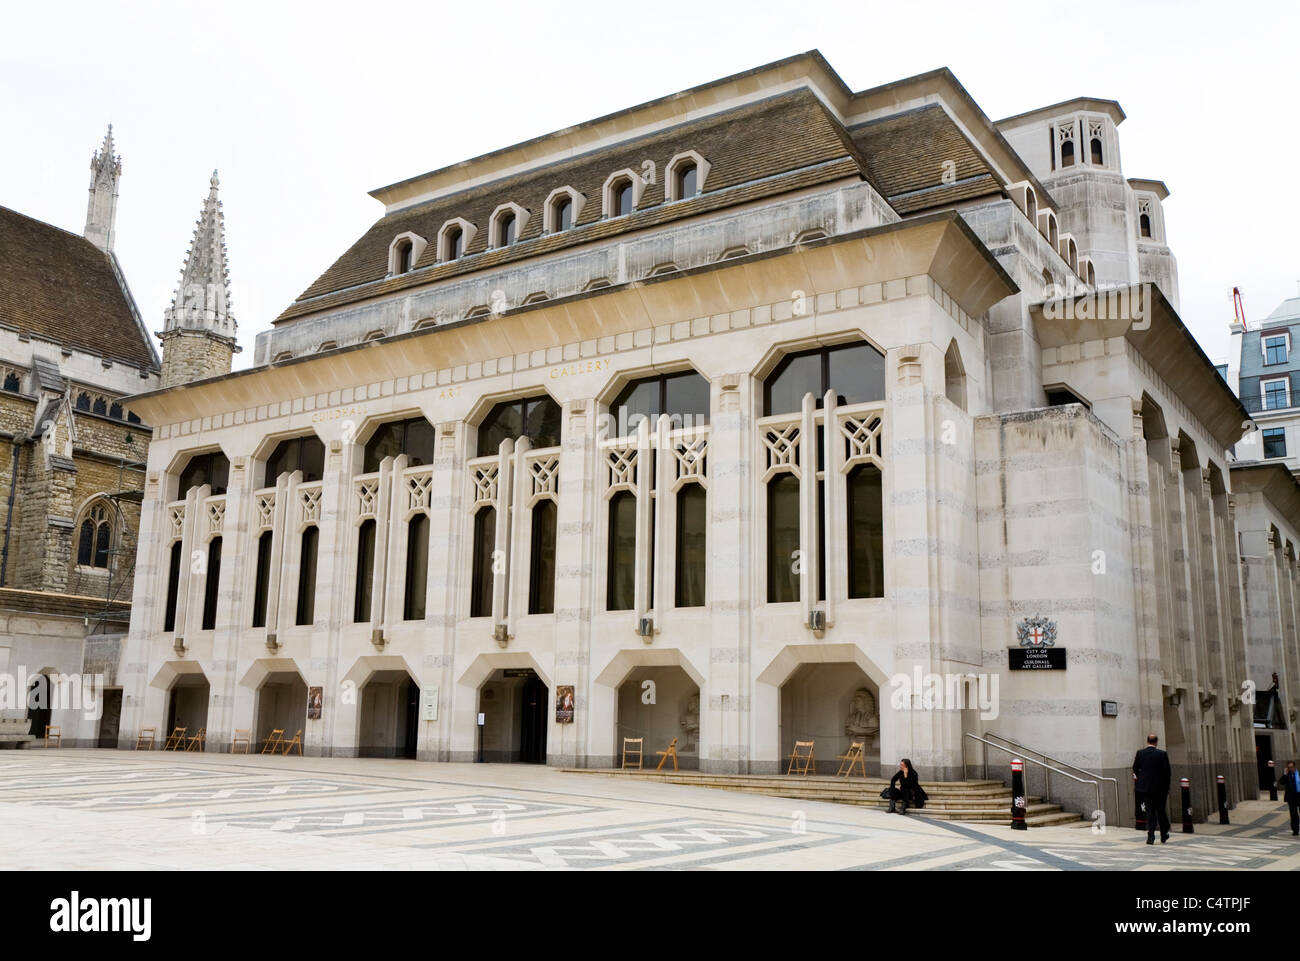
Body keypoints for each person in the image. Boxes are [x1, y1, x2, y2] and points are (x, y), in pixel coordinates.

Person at [1132, 733, 1172, 844]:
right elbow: (1167, 773)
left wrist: (1142, 779)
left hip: (1146, 789)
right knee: (1161, 812)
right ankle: (1164, 834)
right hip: (1160, 789)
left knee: (1150, 813)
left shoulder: (1140, 753)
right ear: (1156, 742)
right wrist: (1167, 788)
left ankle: (1151, 836)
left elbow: (1135, 768)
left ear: (1147, 741)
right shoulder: (1162, 754)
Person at [1278, 761, 1300, 837]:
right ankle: (1295, 830)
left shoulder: (1299, 774)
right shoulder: (1287, 775)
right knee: (1293, 814)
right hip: (1291, 797)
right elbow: (1281, 782)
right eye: (1289, 767)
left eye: (1291, 767)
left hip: (1299, 795)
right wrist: (1284, 774)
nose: (1290, 769)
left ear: (1294, 766)